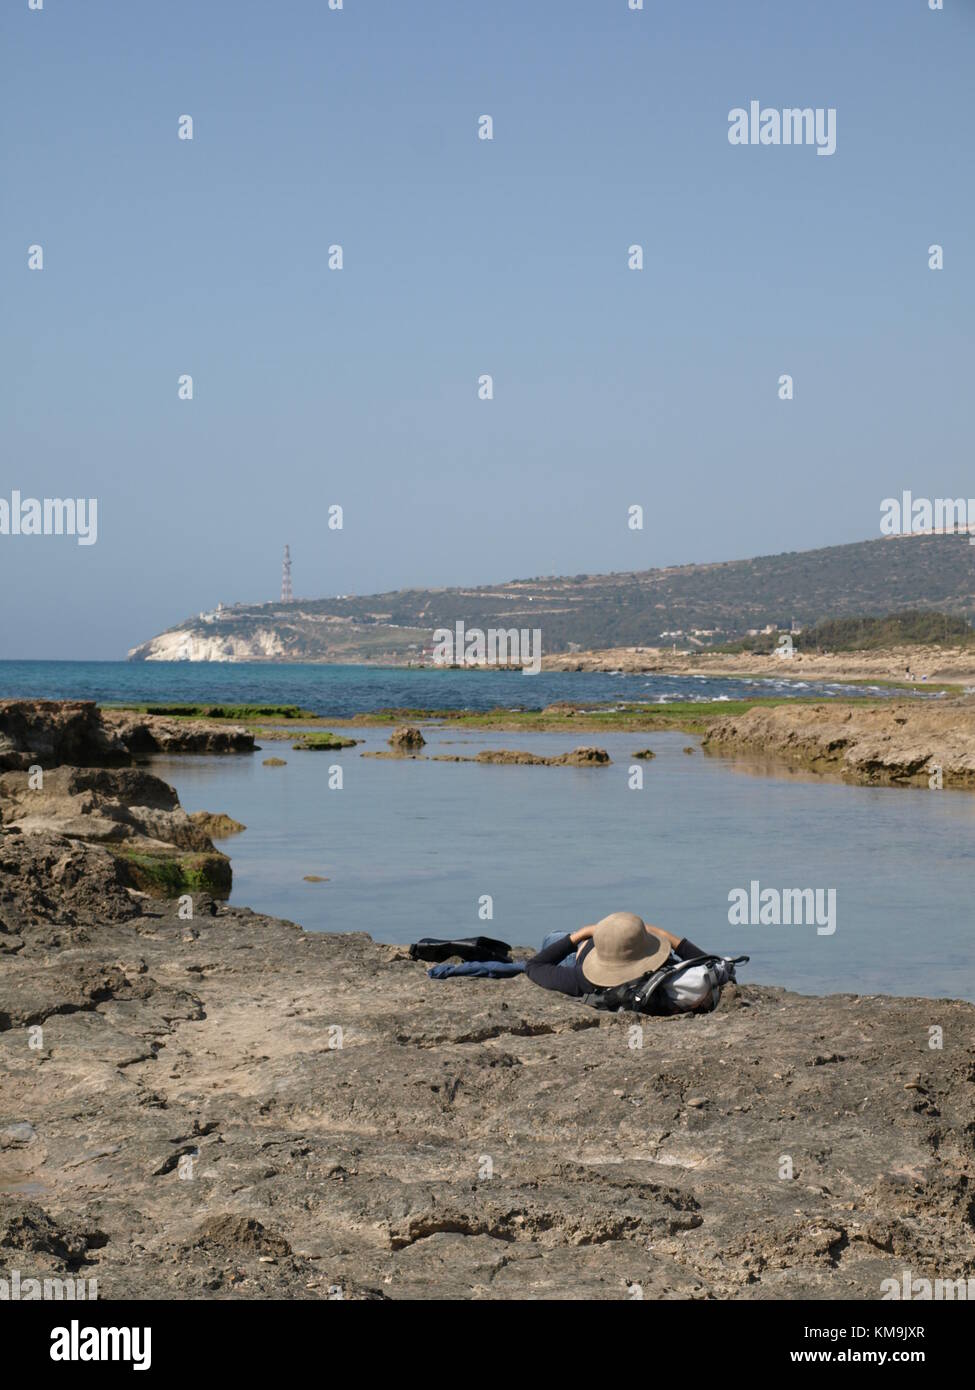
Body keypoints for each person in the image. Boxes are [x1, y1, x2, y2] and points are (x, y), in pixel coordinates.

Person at [525, 911, 709, 999]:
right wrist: (664, 934)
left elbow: (534, 966)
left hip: (584, 953)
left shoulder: (584, 978)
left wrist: (582, 934)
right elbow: (713, 965)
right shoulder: (660, 968)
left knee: (552, 937)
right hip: (601, 946)